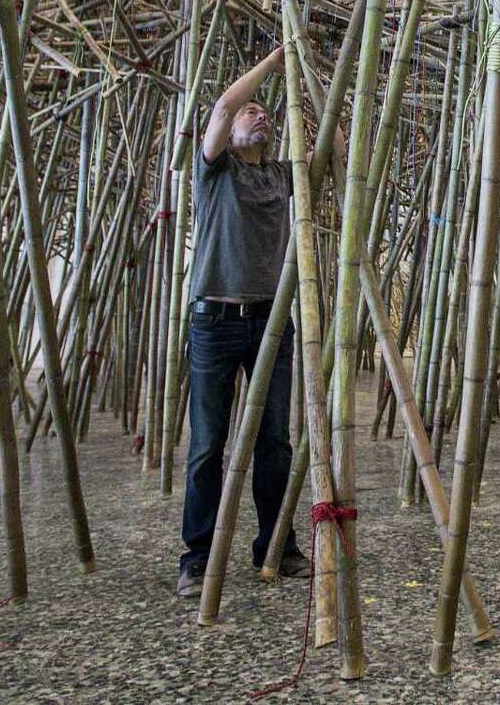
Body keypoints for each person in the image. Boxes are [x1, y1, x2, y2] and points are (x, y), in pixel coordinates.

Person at [176, 46, 308, 598]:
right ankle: (198, 557)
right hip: (214, 319)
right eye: (249, 112)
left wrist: (307, 90)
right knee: (208, 444)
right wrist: (281, 57)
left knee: (274, 442)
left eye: (264, 112)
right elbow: (221, 106)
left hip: (272, 321)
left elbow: (341, 157)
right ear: (229, 133)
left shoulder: (284, 174)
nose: (257, 113)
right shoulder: (215, 172)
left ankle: (276, 546)